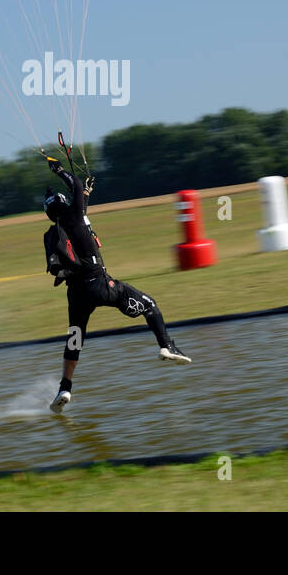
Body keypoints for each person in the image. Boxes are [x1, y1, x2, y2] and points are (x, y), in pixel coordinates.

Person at [43, 155, 190, 415]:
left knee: (75, 339)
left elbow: (80, 199)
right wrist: (61, 171)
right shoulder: (74, 216)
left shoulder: (59, 228)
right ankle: (167, 345)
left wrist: (86, 191)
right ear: (66, 205)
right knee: (150, 306)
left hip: (76, 295)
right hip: (101, 285)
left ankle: (65, 387)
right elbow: (75, 185)